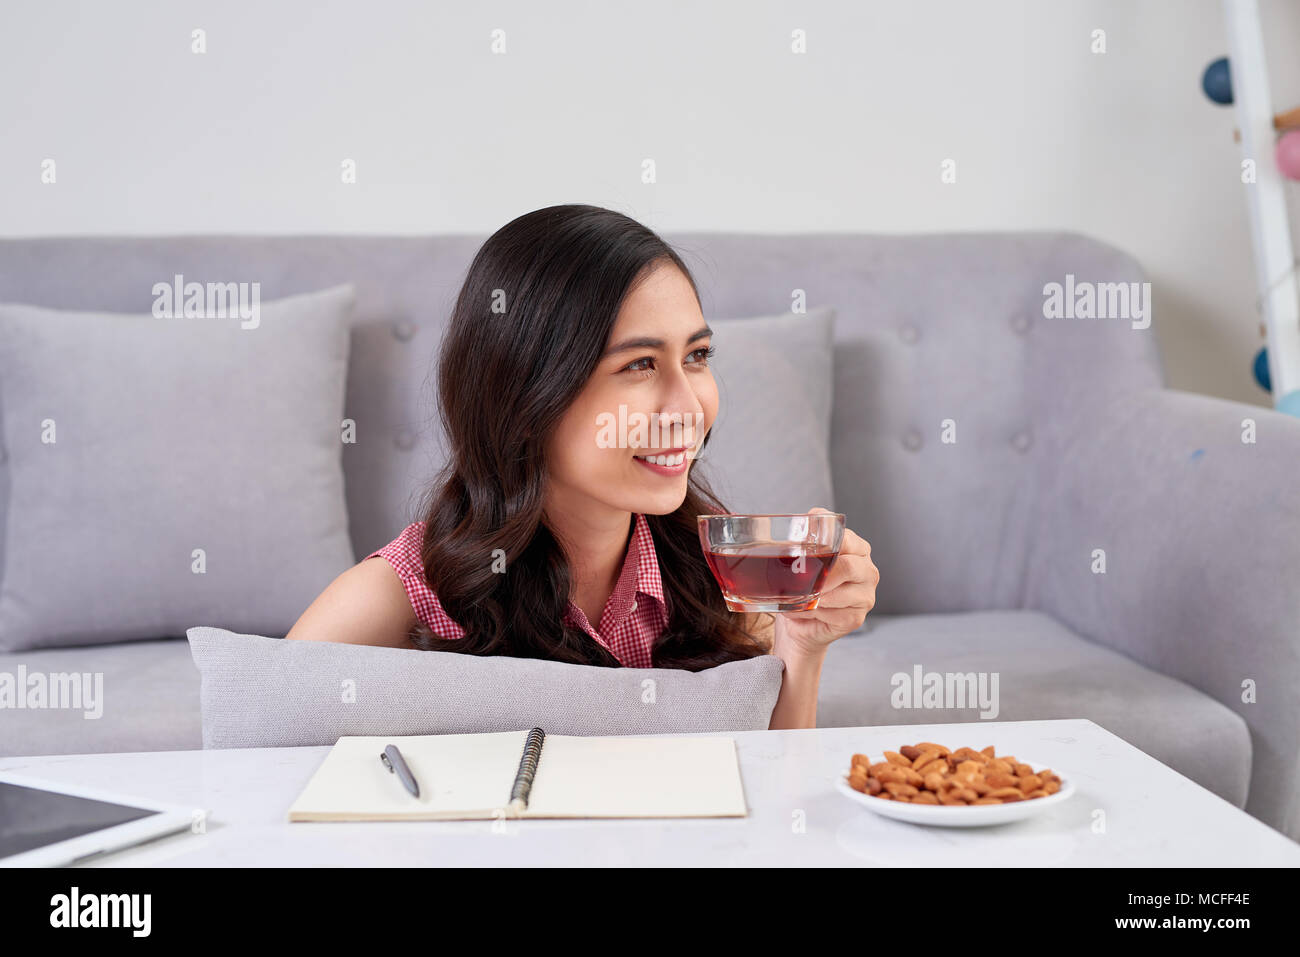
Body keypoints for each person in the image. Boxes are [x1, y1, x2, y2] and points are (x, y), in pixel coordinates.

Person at [287, 204, 878, 729]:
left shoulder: (719, 577)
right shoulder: (402, 593)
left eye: (697, 356)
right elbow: (261, 742)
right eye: (640, 364)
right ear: (526, 396)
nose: (688, 407)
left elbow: (774, 798)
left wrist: (800, 648)